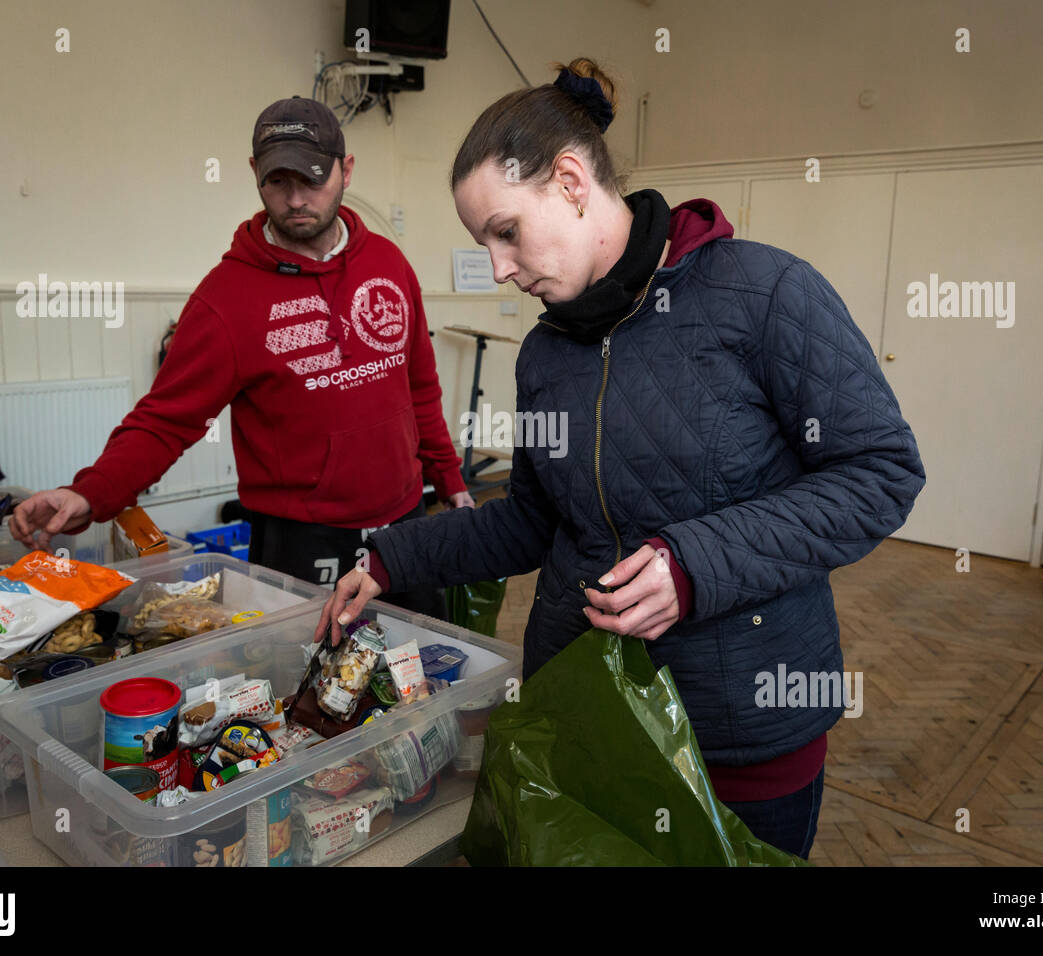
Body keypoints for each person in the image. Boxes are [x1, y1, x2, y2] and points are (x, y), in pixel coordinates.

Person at [317, 58, 927, 861]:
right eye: (484, 244)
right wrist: (392, 558)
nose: (499, 267)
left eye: (505, 232)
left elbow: (880, 472)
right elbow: (537, 519)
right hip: (589, 714)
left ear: (571, 181)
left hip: (740, 731)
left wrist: (694, 564)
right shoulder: (543, 355)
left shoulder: (764, 293)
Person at [8, 96, 474, 616]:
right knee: (308, 692)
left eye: (313, 179)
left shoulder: (389, 263)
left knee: (421, 675)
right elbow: (164, 422)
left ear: (346, 170)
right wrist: (90, 494)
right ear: (255, 173)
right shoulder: (224, 300)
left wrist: (451, 482)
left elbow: (420, 388)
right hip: (302, 541)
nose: (296, 199)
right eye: (278, 182)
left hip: (406, 523)